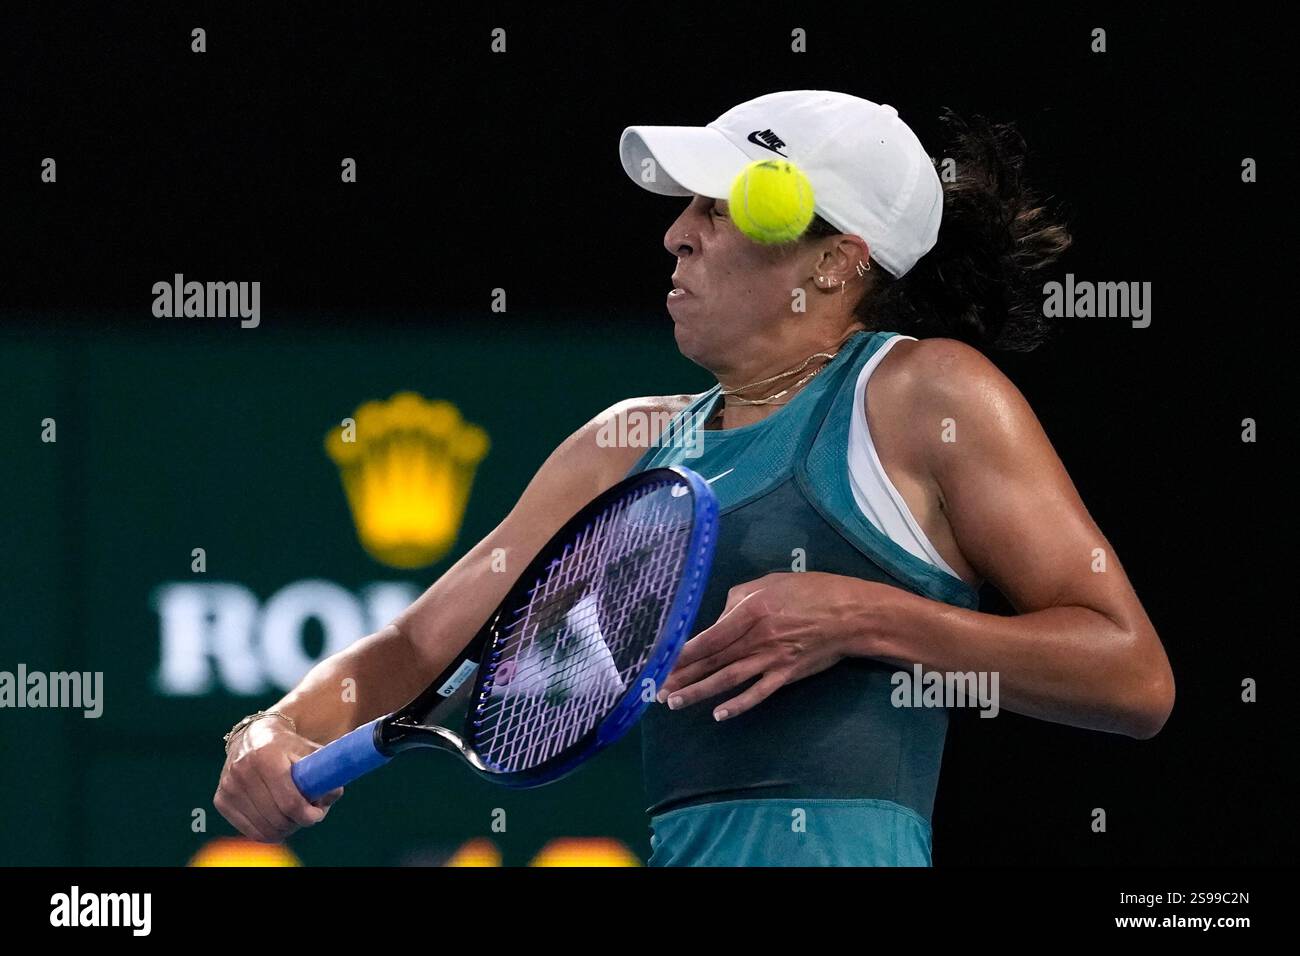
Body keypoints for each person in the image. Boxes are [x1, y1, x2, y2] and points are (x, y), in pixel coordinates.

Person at [216, 90, 1174, 866]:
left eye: (720, 208)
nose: (677, 233)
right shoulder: (625, 443)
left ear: (838, 261)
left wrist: (862, 616)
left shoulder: (925, 393)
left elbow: (1132, 674)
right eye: (685, 207)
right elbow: (423, 641)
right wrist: (276, 729)